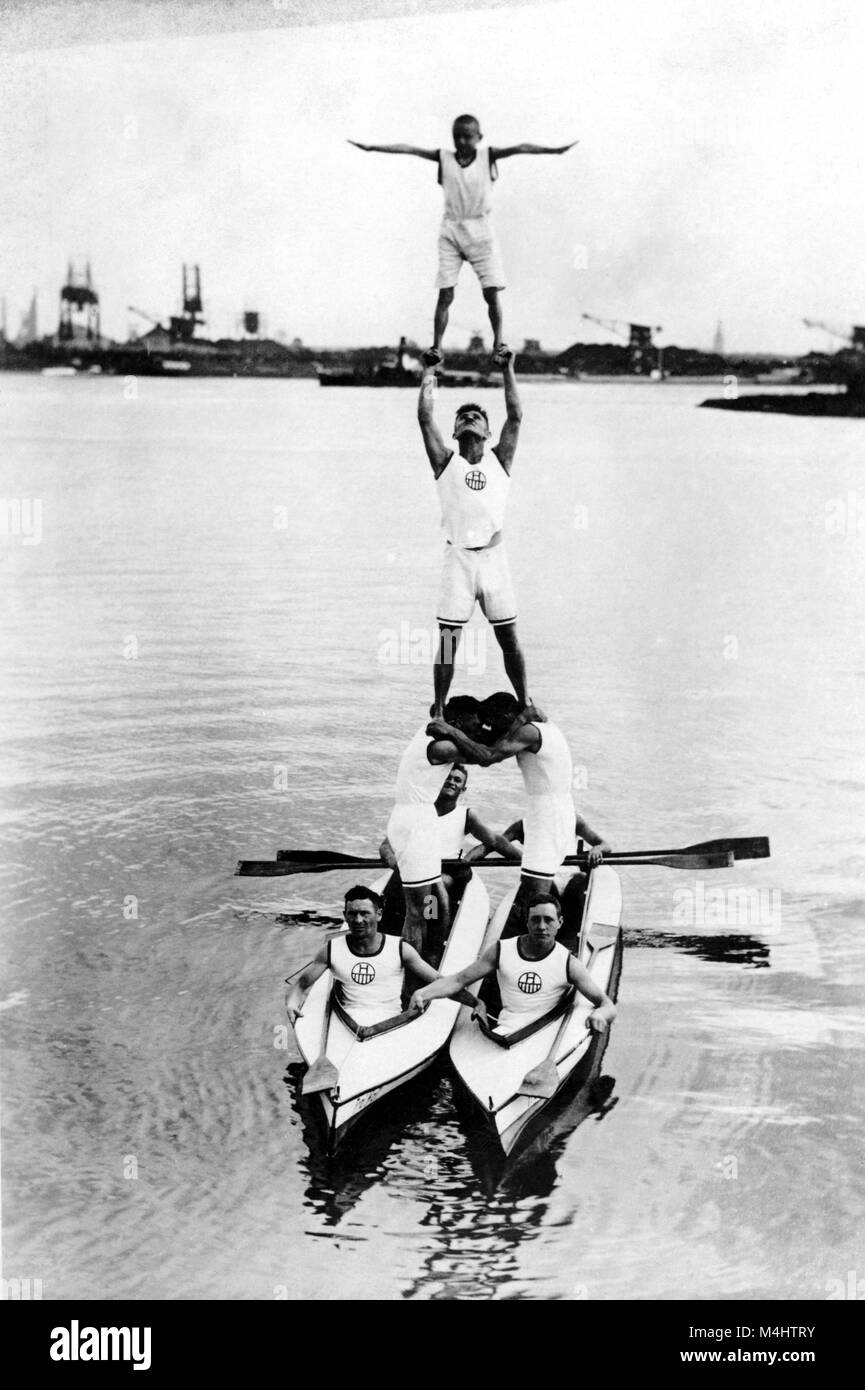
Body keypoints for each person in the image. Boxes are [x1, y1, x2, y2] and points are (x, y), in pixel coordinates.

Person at [349, 114, 577, 361]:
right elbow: (409, 149)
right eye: (456, 136)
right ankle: (437, 346)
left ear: (479, 137)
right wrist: (373, 148)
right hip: (451, 229)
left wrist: (554, 151)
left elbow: (521, 148)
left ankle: (498, 343)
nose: (461, 141)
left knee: (491, 292)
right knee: (445, 293)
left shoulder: (487, 156)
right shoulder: (444, 158)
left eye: (467, 136)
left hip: (480, 230)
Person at [418, 348, 530, 716]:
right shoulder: (445, 463)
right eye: (463, 416)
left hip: (494, 559)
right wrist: (430, 373)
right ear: (455, 432)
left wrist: (509, 368)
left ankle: (525, 702)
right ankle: (438, 707)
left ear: (486, 431)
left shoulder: (501, 460)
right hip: (459, 560)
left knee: (508, 637)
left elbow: (516, 414)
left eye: (477, 416)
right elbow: (424, 416)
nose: (469, 418)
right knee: (449, 640)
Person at [426, 691, 575, 932]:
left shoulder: (529, 731)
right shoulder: (534, 727)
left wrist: (451, 732)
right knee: (531, 886)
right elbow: (490, 741)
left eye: (491, 722)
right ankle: (533, 936)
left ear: (507, 715)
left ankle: (535, 946)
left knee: (533, 895)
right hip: (547, 810)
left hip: (550, 814)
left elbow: (488, 756)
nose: (489, 728)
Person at [409, 894, 617, 1036]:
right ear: (527, 922)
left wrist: (600, 1014)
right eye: (535, 920)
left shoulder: (569, 963)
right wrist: (424, 993)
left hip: (547, 1033)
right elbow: (458, 980)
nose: (542, 927)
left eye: (548, 920)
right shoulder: (501, 950)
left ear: (559, 923)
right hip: (506, 1029)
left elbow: (607, 1005)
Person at [385, 695, 491, 958]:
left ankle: (432, 952)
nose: (478, 730)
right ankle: (408, 975)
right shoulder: (439, 747)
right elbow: (486, 756)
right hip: (415, 824)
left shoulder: (430, 736)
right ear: (456, 722)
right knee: (416, 913)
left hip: (419, 822)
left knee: (439, 898)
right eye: (474, 724)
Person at [285, 885, 441, 1028]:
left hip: (391, 1021)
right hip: (346, 1023)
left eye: (365, 913)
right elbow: (300, 985)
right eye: (352, 914)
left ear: (379, 915)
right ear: (345, 916)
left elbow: (440, 982)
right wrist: (292, 1004)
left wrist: (423, 994)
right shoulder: (330, 950)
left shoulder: (400, 949)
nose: (358, 920)